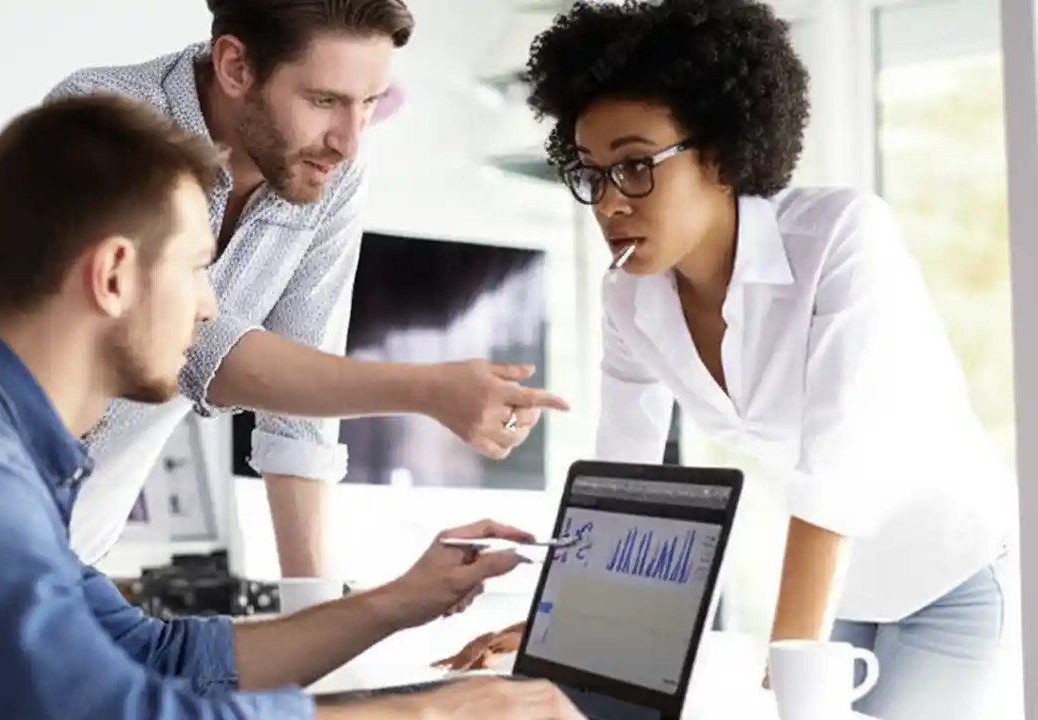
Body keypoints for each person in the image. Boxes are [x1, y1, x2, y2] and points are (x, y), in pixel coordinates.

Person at [0, 94, 585, 720]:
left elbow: (157, 657)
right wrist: (440, 712)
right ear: (115, 275)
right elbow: (120, 713)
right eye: (196, 268)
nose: (208, 307)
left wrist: (401, 601)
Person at [0, 0, 567, 578]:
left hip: (67, 522)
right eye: (325, 100)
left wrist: (313, 618)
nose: (350, 140)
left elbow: (297, 419)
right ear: (235, 66)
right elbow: (191, 350)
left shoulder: (332, 173)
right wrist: (425, 390)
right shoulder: (109, 121)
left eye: (370, 104)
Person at [434, 2, 1017, 718]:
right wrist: (563, 632)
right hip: (842, 585)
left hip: (949, 573)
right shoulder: (630, 296)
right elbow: (622, 478)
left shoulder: (841, 237)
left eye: (636, 166)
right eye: (592, 173)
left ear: (718, 153)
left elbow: (835, 470)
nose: (609, 203)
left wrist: (793, 647)